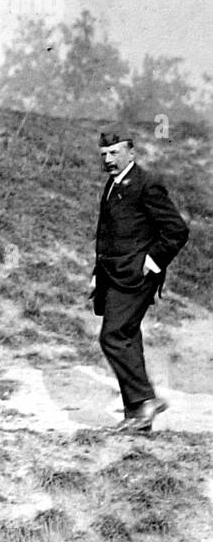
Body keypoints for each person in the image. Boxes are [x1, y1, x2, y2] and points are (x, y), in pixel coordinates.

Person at [90, 131, 189, 435]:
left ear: (131, 153)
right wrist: (98, 271)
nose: (108, 159)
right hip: (113, 273)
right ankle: (138, 415)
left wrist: (150, 263)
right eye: (104, 153)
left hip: (136, 276)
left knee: (113, 336)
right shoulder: (113, 183)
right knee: (127, 336)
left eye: (115, 152)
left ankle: (144, 399)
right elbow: (108, 232)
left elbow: (176, 230)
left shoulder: (146, 184)